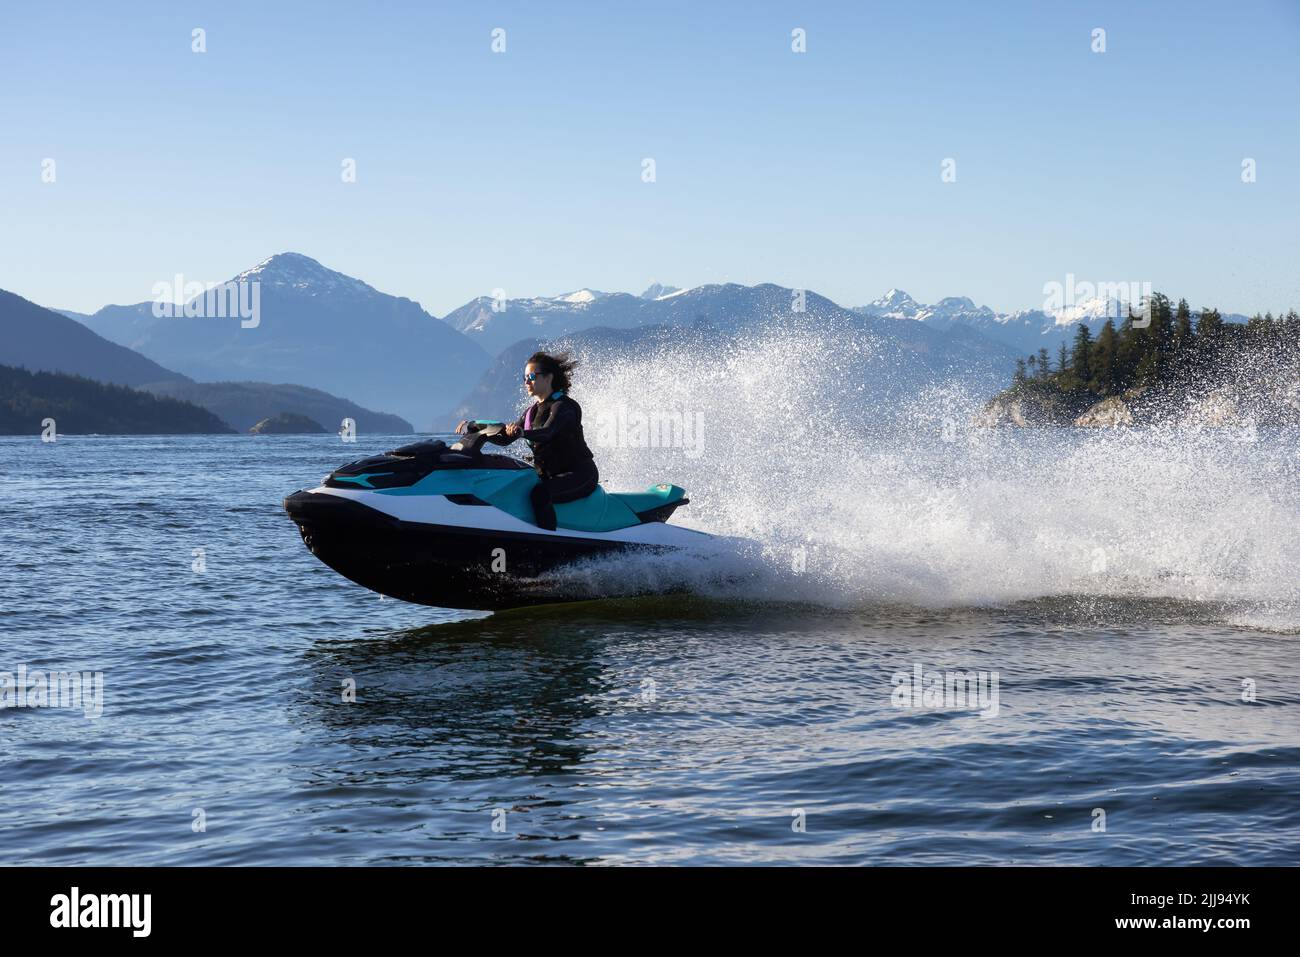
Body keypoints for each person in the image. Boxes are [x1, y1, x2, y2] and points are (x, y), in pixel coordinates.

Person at [455, 351, 598, 531]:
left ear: (548, 378)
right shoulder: (529, 413)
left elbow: (548, 432)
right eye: (524, 377)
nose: (526, 382)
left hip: (580, 474)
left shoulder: (565, 406)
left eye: (531, 376)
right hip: (551, 475)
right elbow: (506, 439)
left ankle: (549, 542)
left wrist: (522, 432)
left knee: (540, 494)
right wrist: (476, 429)